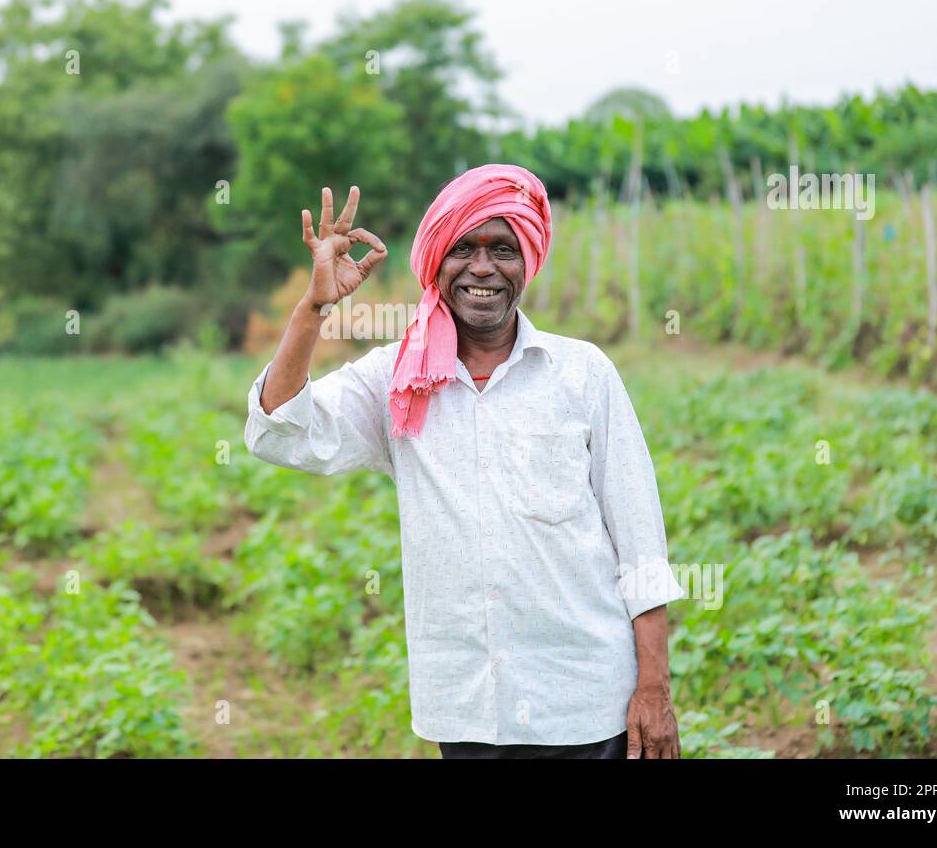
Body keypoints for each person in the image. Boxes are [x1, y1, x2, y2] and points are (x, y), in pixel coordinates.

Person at [243, 164, 686, 759]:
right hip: (468, 709)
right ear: (436, 265)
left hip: (585, 702)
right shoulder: (396, 378)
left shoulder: (582, 374)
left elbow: (639, 543)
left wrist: (653, 689)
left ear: (526, 262)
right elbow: (279, 431)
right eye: (462, 249)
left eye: (502, 249)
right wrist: (313, 308)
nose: (482, 267)